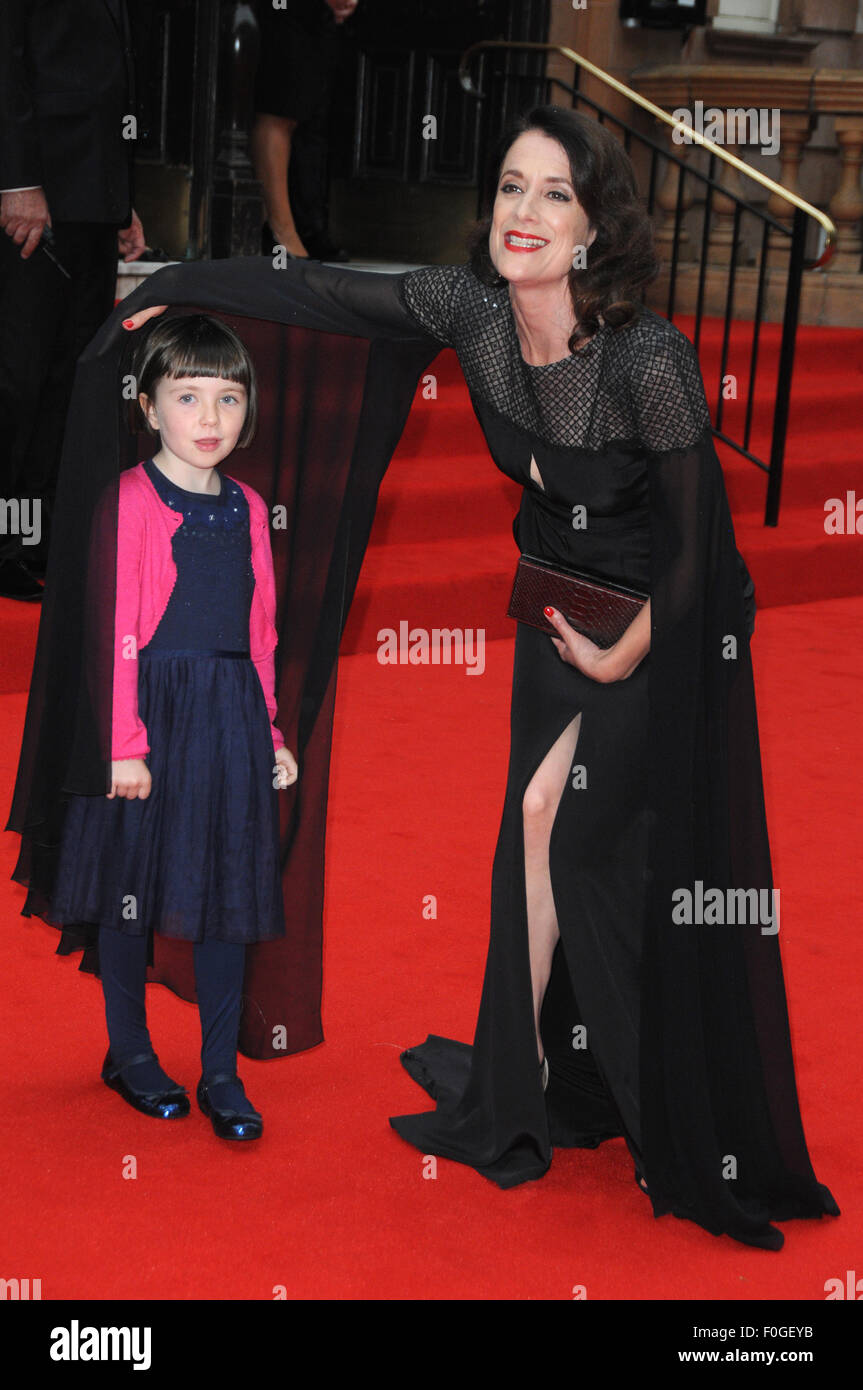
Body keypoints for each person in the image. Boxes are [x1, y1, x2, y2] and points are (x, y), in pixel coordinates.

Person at [10, 106, 838, 1248]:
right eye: (508, 186)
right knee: (529, 839)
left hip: (670, 626)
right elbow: (327, 294)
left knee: (574, 832)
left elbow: (703, 552)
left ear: (594, 225)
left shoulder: (645, 355)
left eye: (553, 193)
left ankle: (670, 1115)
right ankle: (524, 1080)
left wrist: (626, 648)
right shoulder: (474, 315)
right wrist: (174, 283)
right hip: (552, 613)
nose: (523, 213)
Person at [46, 313, 298, 1139]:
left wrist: (271, 731)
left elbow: (261, 632)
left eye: (228, 398)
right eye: (187, 397)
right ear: (147, 406)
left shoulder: (252, 508)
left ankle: (221, 1070)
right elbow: (112, 628)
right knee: (132, 893)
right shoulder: (127, 500)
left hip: (228, 717)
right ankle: (130, 1051)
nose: (210, 419)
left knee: (226, 892)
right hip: (148, 715)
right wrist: (123, 743)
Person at [0, 0, 147, 599]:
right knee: (20, 379)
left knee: (70, 377)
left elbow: (108, 81)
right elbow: (7, 68)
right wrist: (16, 181)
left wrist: (119, 199)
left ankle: (38, 538)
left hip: (90, 198)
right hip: (35, 199)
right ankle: (3, 541)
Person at [252, 0, 358, 261]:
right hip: (283, 11)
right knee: (282, 108)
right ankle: (280, 230)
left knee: (311, 116)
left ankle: (306, 225)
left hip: (319, 16)